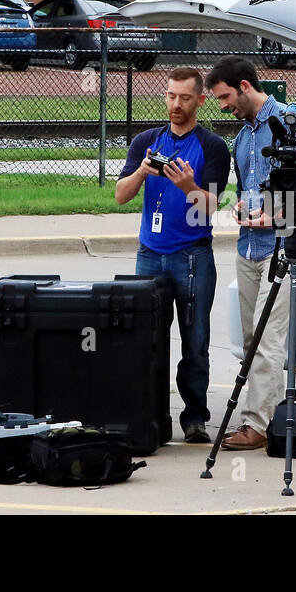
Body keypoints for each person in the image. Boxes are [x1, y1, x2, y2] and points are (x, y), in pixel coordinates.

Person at [204, 55, 296, 451]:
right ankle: (271, 419)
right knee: (249, 339)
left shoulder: (290, 121)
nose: (222, 106)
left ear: (243, 86)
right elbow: (246, 192)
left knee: (267, 339)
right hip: (248, 246)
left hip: (282, 247)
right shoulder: (241, 138)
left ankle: (256, 424)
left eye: (224, 97)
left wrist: (279, 213)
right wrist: (242, 209)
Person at [115, 67, 231, 444]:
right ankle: (149, 413)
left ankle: (195, 416)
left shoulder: (212, 146)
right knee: (145, 338)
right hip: (150, 252)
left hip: (192, 255)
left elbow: (209, 208)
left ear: (200, 100)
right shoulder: (147, 141)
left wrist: (188, 186)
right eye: (170, 96)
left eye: (184, 98)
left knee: (194, 340)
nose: (175, 105)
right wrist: (143, 173)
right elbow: (120, 195)